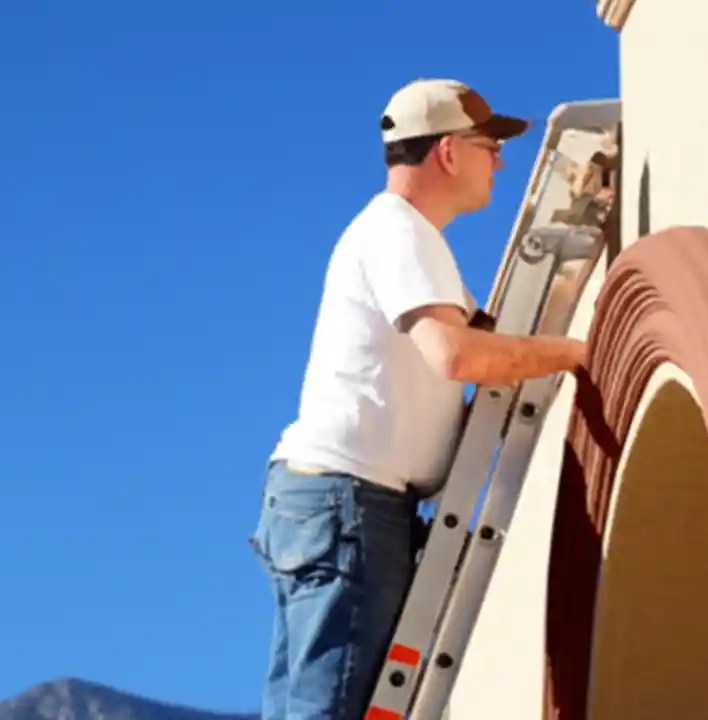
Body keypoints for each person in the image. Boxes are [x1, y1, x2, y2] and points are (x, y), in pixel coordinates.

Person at [247, 78, 588, 720]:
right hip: (350, 505)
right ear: (449, 153)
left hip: (328, 504)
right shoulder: (400, 233)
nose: (502, 161)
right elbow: (457, 356)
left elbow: (478, 340)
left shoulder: (401, 238)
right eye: (490, 145)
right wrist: (576, 353)